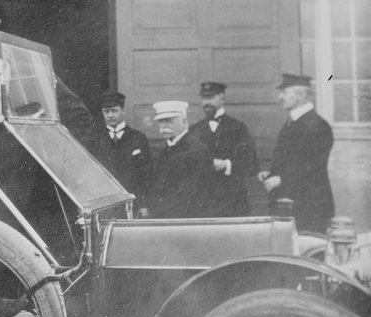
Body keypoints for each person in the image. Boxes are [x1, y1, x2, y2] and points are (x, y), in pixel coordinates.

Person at [0, 17, 111, 167]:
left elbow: (81, 121)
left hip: (41, 181)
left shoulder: (37, 79)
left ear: (3, 52)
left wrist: (66, 163)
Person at [258, 73, 334, 233]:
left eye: (285, 92)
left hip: (310, 205)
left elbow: (313, 166)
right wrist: (272, 174)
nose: (280, 97)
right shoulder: (292, 122)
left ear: (300, 95)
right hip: (288, 202)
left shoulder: (318, 126)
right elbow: (291, 160)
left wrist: (281, 179)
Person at [188, 81, 259, 217]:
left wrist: (226, 165)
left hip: (232, 199)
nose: (206, 103)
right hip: (203, 202)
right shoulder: (195, 130)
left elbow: (250, 163)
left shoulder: (238, 128)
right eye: (203, 98)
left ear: (222, 98)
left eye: (210, 97)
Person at [141, 100, 210, 219]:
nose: (163, 125)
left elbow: (191, 191)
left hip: (184, 217)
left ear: (184, 121)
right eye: (160, 121)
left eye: (168, 120)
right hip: (163, 216)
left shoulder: (196, 149)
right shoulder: (164, 150)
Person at [101, 92, 151, 208]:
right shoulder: (97, 139)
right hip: (106, 204)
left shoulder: (138, 138)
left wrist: (144, 205)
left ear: (123, 111)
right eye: (106, 111)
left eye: (114, 111)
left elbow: (146, 173)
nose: (110, 115)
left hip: (133, 201)